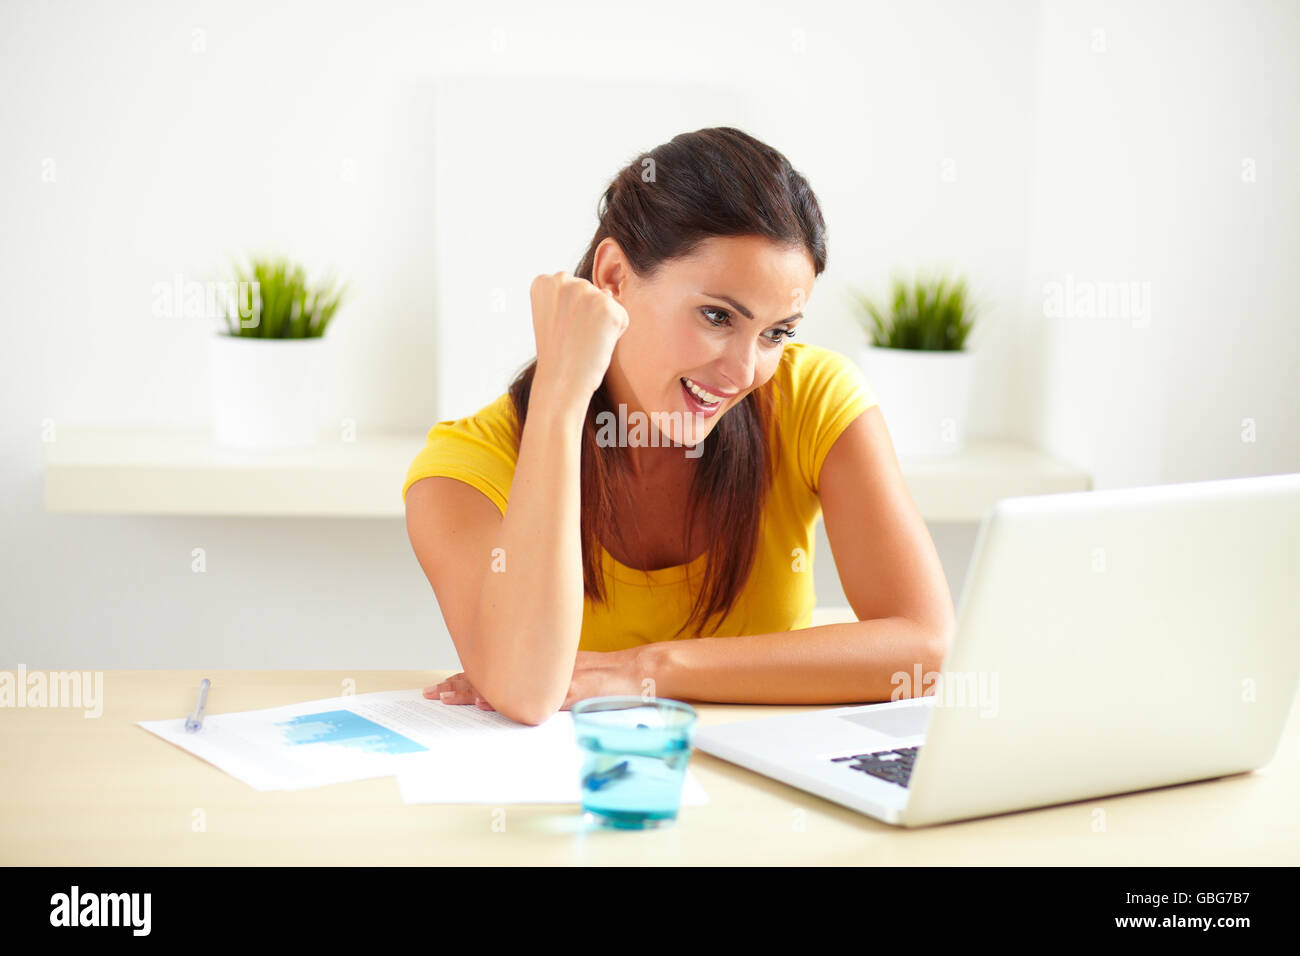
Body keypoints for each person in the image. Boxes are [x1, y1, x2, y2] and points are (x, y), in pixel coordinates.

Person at [403, 127, 954, 726]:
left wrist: (647, 670)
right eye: (717, 316)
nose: (745, 371)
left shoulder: (811, 399)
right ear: (614, 278)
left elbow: (925, 651)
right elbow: (528, 692)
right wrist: (561, 398)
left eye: (777, 332)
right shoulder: (464, 471)